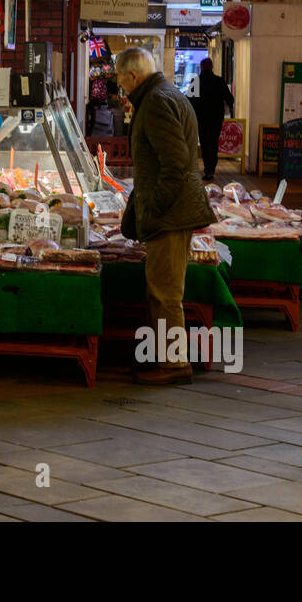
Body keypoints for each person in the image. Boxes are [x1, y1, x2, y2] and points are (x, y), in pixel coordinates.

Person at [118, 47, 217, 385]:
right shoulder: (163, 94)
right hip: (172, 210)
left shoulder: (157, 102)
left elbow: (174, 164)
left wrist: (155, 207)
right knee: (161, 289)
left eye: (120, 80)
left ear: (133, 76)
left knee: (165, 293)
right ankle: (160, 356)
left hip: (171, 214)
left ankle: (174, 363)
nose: (120, 87)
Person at [194, 57, 235, 182]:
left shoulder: (196, 81)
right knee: (213, 142)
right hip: (216, 119)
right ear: (212, 67)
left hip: (201, 119)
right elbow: (230, 99)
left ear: (201, 67)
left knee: (205, 143)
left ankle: (208, 169)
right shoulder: (219, 81)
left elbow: (188, 101)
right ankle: (211, 168)